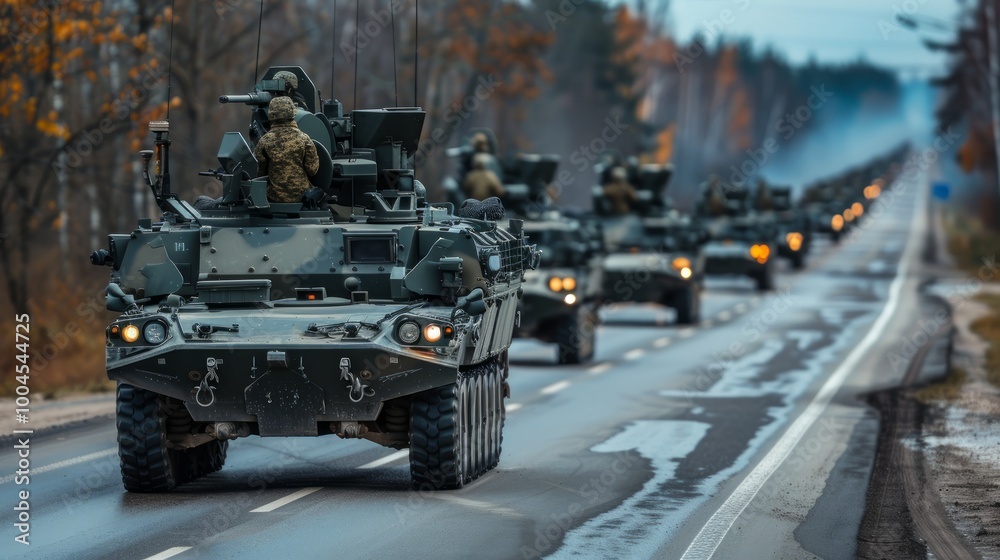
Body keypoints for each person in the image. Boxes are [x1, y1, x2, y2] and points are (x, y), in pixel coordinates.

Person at [253, 96, 319, 203]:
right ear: (292, 112)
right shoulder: (304, 139)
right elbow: (312, 170)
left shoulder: (264, 141)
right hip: (302, 196)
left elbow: (258, 172)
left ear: (271, 114)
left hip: (275, 198)